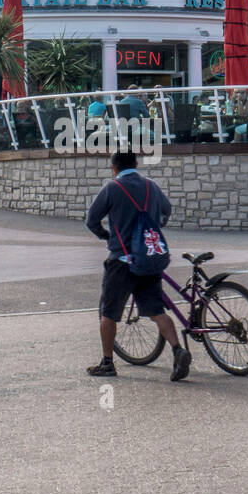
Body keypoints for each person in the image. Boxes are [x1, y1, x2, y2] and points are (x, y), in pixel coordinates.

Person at [84, 149, 191, 382]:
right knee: (156, 310)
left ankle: (108, 363)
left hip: (121, 261)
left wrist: (106, 235)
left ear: (114, 168)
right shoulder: (151, 186)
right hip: (148, 260)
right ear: (136, 164)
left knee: (109, 313)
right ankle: (177, 349)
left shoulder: (112, 188)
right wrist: (155, 227)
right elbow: (167, 210)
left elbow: (91, 220)